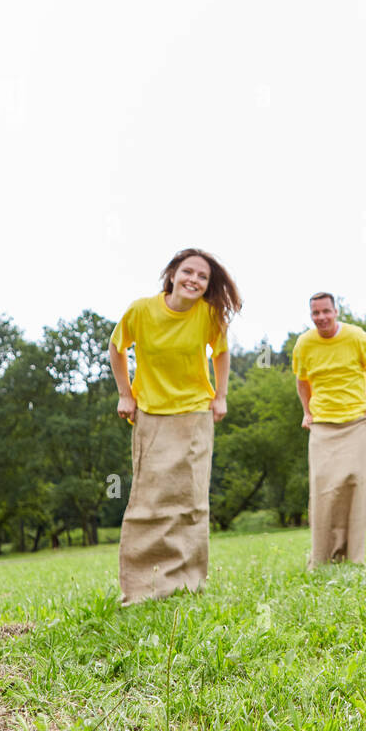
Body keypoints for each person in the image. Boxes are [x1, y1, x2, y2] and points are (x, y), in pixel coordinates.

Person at [109, 248, 241, 604]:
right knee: (149, 499)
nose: (194, 280)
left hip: (195, 413)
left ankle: (187, 582)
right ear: (172, 274)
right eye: (188, 272)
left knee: (191, 498)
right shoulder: (141, 310)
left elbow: (222, 352)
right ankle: (142, 586)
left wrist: (221, 395)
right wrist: (125, 394)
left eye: (203, 277)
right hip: (151, 413)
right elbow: (116, 346)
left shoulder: (210, 315)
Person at [292, 293, 366, 567]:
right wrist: (307, 413)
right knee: (323, 487)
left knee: (353, 483)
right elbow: (302, 381)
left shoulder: (357, 337)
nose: (321, 317)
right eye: (315, 313)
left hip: (357, 422)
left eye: (325, 311)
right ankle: (321, 558)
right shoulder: (304, 343)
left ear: (336, 311)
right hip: (322, 424)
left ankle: (353, 558)